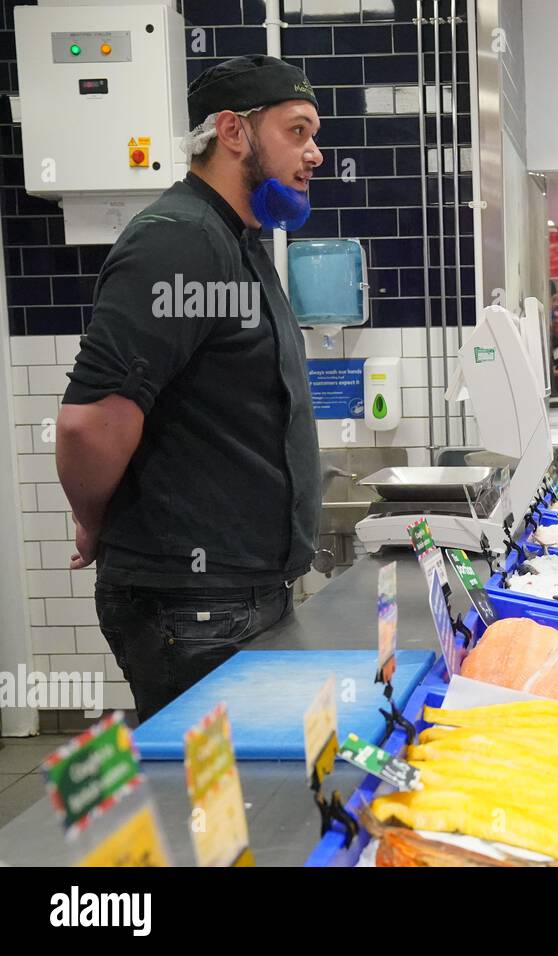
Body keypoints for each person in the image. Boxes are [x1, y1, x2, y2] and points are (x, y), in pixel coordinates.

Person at [55, 56, 325, 721]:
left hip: (231, 598)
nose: (315, 154)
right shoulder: (179, 242)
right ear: (234, 132)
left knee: (250, 809)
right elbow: (87, 424)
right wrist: (95, 521)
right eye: (297, 131)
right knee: (213, 810)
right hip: (195, 606)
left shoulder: (235, 241)